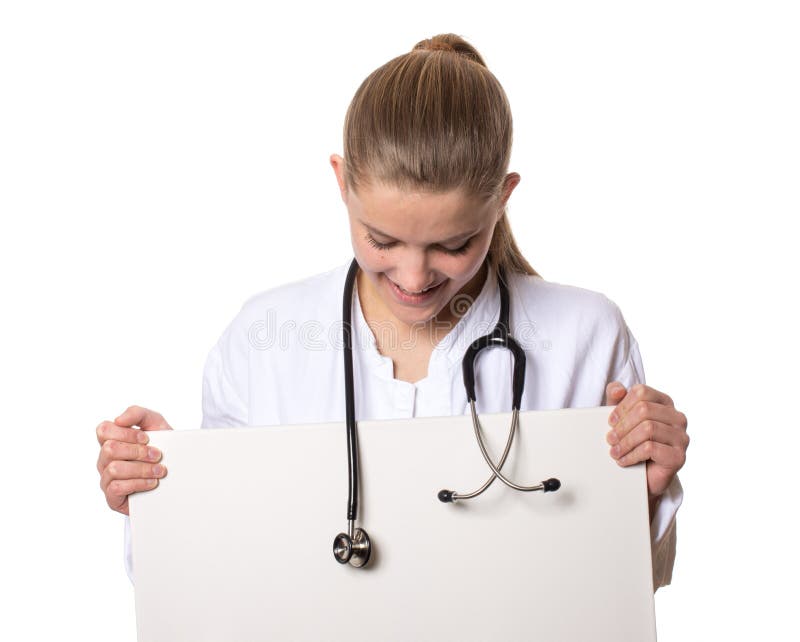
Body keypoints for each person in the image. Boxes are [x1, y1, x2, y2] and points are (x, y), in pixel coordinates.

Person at [96, 33, 688, 590]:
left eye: (453, 245)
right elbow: (216, 579)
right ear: (342, 182)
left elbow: (628, 589)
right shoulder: (262, 340)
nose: (413, 277)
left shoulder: (585, 335)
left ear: (502, 200)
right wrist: (160, 493)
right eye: (382, 241)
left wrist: (645, 491)